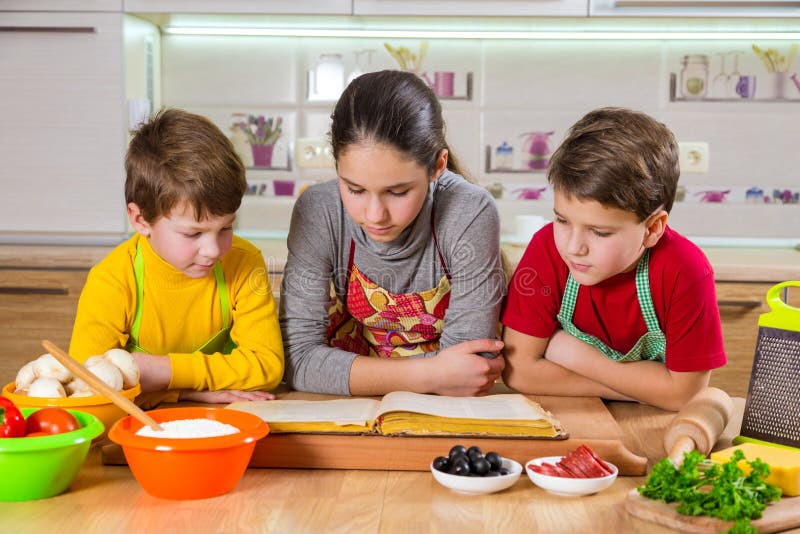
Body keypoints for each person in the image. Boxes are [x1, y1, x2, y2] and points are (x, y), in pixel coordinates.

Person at [280, 70, 506, 397]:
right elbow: (296, 358)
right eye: (354, 189)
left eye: (398, 192)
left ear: (437, 166)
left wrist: (342, 372)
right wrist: (431, 373)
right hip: (346, 408)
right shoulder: (319, 210)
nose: (375, 215)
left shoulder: (470, 211)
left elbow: (468, 370)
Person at [501, 107, 726, 411]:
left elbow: (686, 394)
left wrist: (572, 354)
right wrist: (650, 388)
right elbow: (519, 372)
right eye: (562, 220)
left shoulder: (685, 270)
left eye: (599, 232)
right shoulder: (547, 249)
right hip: (577, 415)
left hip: (649, 424)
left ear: (652, 229)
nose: (573, 247)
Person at [69, 108, 284, 408]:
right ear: (141, 219)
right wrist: (184, 393)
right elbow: (88, 385)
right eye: (193, 234)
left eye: (226, 227)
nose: (213, 249)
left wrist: (160, 372)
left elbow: (267, 366)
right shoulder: (112, 280)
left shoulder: (245, 262)